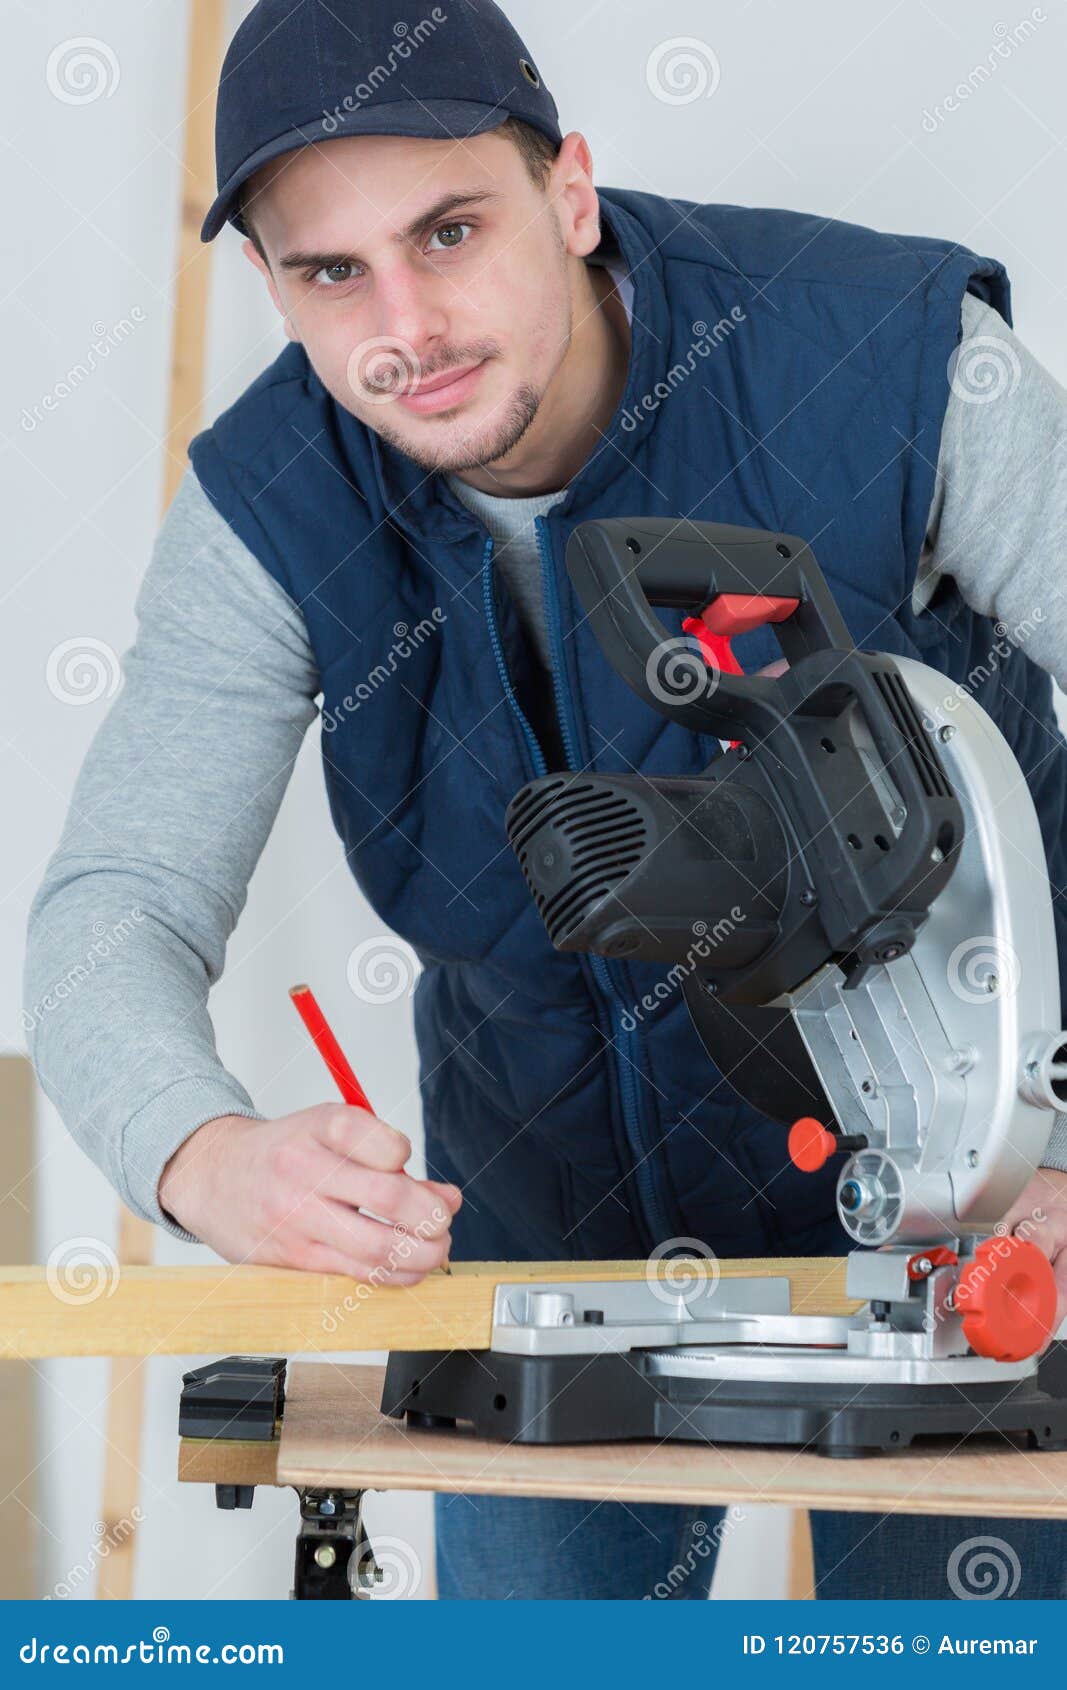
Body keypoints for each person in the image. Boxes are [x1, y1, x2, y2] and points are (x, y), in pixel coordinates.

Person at [25, 0, 1067, 1599]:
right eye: (332, 272)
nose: (409, 322)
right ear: (269, 288)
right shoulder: (266, 505)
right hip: (545, 1244)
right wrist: (206, 1153)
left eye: (450, 230)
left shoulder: (896, 359)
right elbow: (117, 906)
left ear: (570, 192)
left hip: (979, 1210)